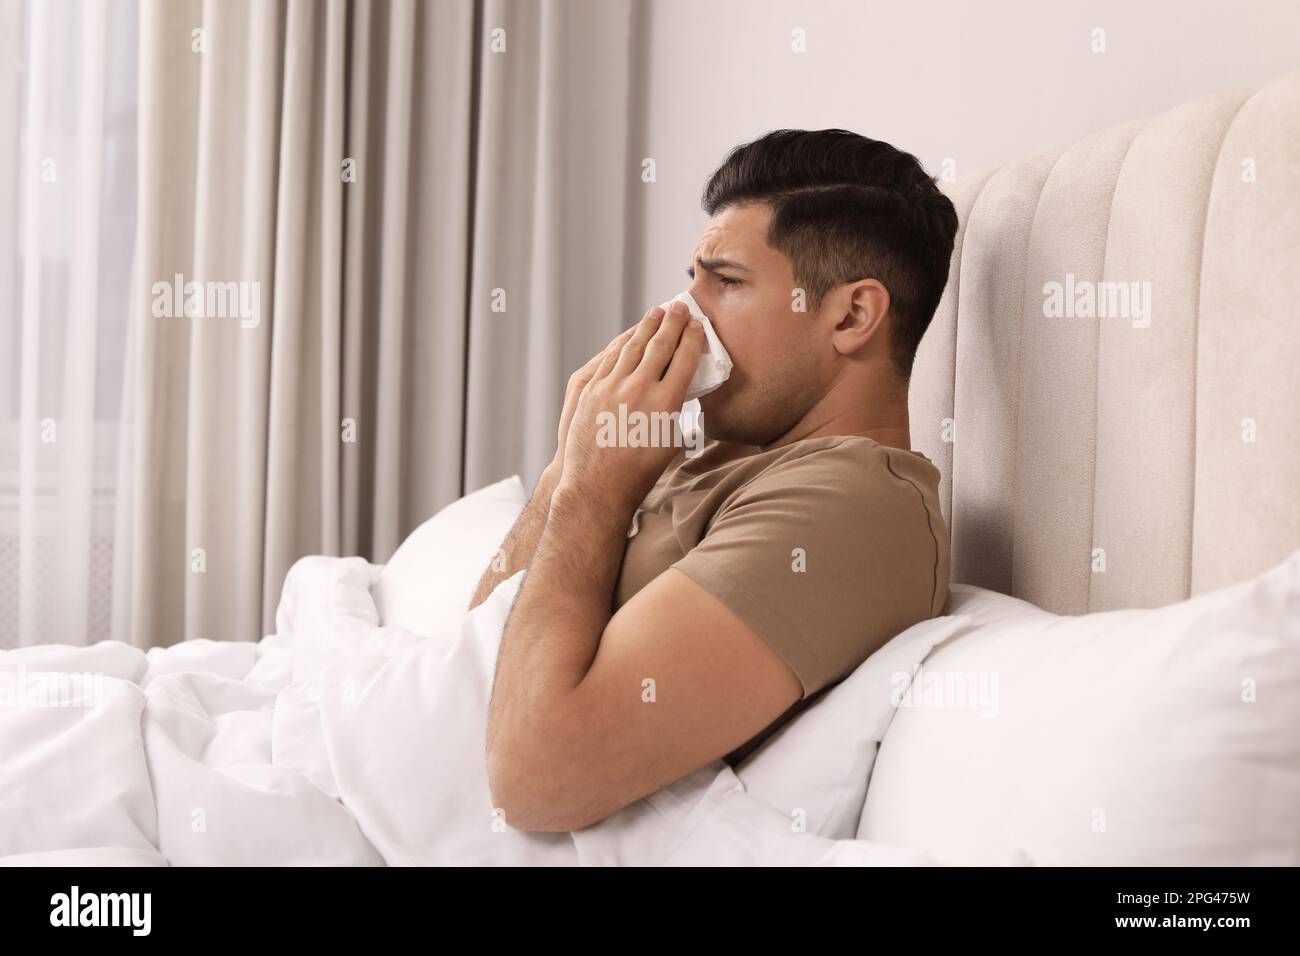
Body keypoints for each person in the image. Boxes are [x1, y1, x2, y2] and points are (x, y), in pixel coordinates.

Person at [475, 129, 959, 833]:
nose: (679, 317)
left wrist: (590, 490)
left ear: (852, 315)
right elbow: (472, 653)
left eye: (727, 282)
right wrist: (564, 469)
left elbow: (534, 781)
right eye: (693, 281)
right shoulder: (705, 451)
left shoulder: (855, 505)